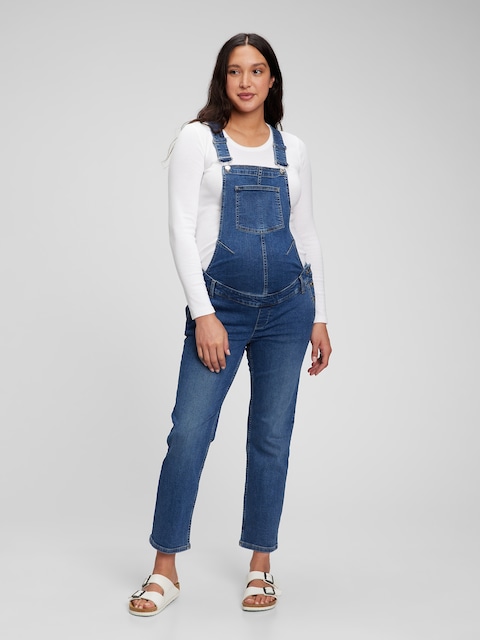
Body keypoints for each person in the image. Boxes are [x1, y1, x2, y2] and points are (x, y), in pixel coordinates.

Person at [128, 32, 332, 616]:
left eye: (257, 70)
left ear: (272, 80)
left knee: (271, 437)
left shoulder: (293, 148)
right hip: (222, 308)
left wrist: (320, 315)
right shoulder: (198, 140)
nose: (246, 81)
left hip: (290, 309)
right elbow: (180, 228)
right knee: (189, 433)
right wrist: (204, 314)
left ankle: (261, 564)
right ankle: (165, 568)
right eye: (235, 71)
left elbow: (307, 233)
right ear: (223, 79)